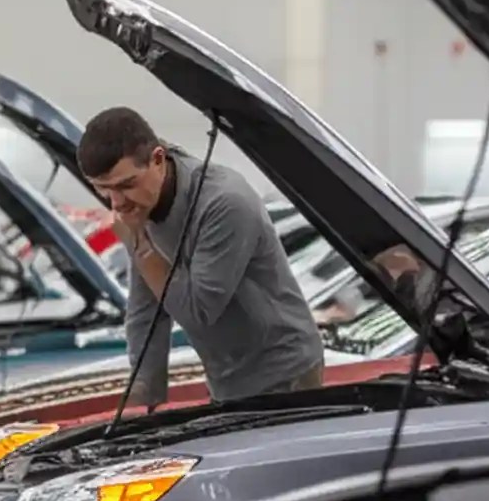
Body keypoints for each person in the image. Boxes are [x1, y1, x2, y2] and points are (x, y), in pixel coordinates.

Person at [77, 107, 324, 408]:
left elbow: (198, 312)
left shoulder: (224, 203)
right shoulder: (141, 206)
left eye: (126, 185)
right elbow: (146, 310)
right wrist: (144, 394)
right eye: (103, 190)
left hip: (286, 375)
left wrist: (140, 245)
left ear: (158, 159)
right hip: (227, 380)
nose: (117, 203)